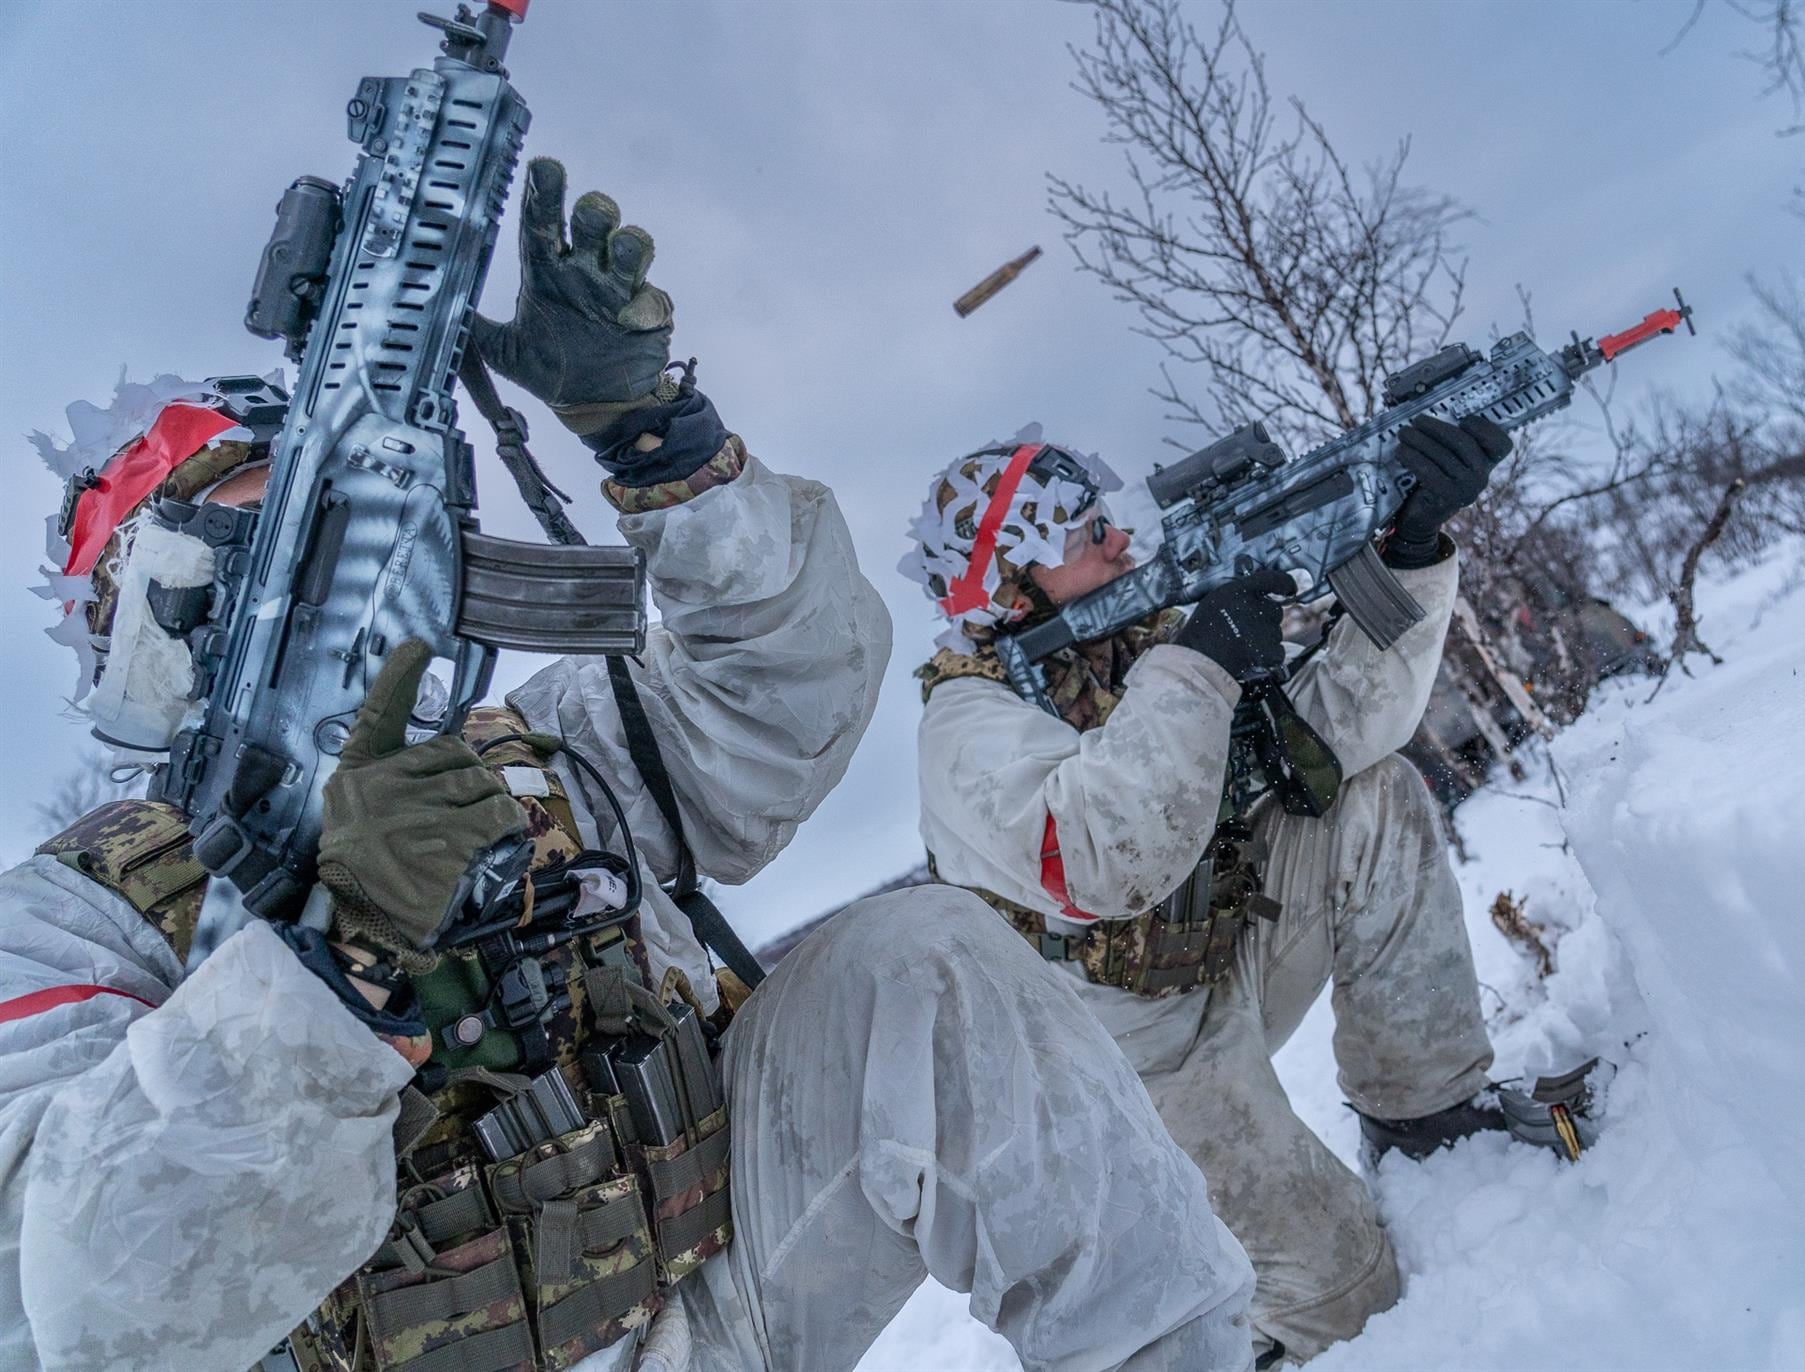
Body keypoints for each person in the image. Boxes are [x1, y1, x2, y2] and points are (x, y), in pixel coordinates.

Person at [0, 162, 1256, 1372]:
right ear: (151, 618)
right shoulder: (73, 921)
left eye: (340, 525)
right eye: (263, 543)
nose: (333, 582)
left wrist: (659, 443)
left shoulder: (526, 759)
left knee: (923, 959)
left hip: (714, 1299)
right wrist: (337, 966)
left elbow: (788, 692)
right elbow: (79, 1316)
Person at [903, 416, 1529, 1364]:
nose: (1119, 539)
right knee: (1349, 1300)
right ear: (1009, 582)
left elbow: (1338, 736)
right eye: (1087, 534)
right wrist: (1199, 664)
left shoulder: (1134, 645)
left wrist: (1408, 551)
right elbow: (1109, 860)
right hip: (1126, 1074)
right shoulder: (966, 730)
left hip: (1226, 960)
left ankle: (1427, 1119)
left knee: (1373, 800)